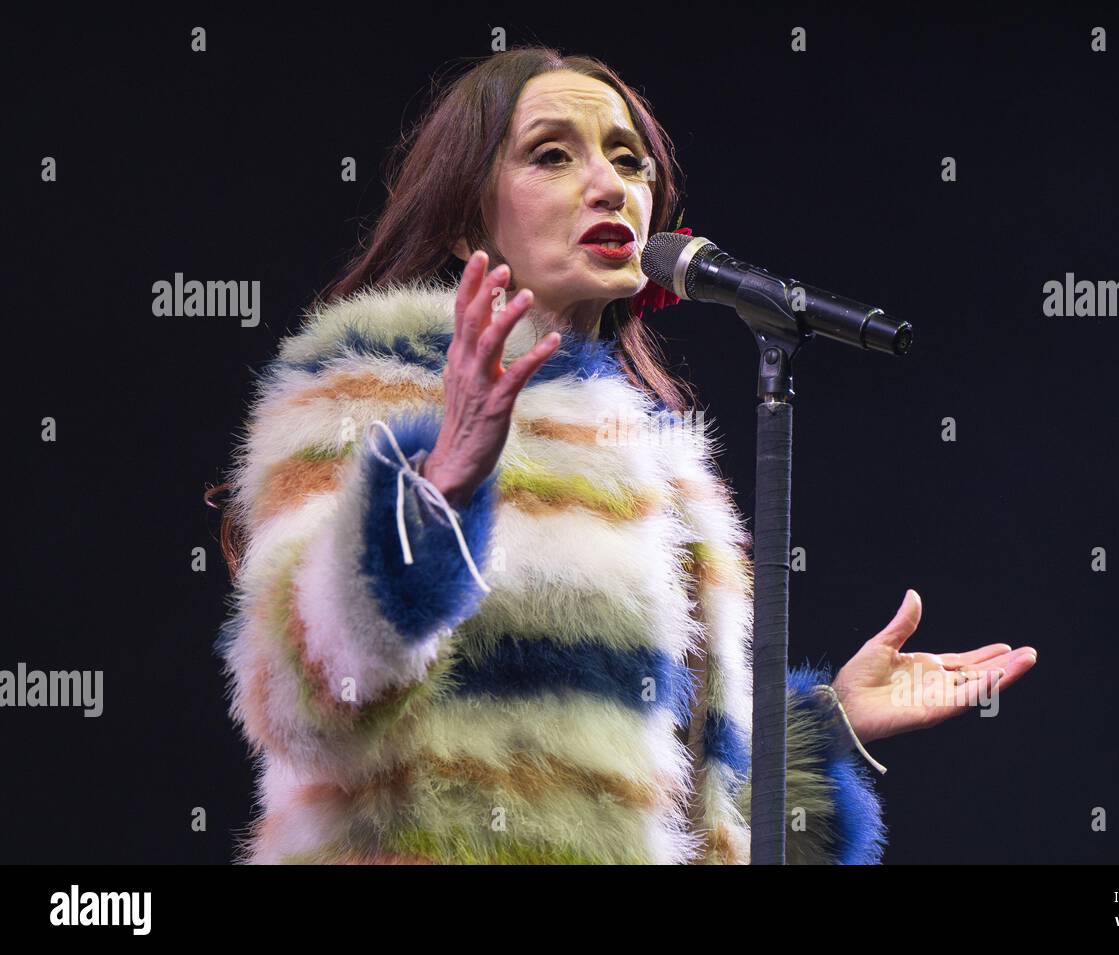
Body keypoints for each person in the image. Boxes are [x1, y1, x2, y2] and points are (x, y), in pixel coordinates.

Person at [210, 46, 1038, 864]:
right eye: (551, 154)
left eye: (628, 159)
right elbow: (298, 696)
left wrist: (826, 729)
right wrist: (435, 497)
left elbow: (687, 818)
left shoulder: (661, 467)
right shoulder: (368, 388)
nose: (610, 184)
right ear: (466, 224)